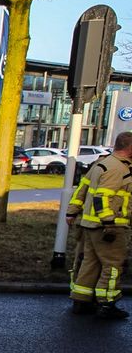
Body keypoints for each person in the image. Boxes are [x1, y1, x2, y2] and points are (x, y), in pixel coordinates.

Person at [67, 131, 132, 319]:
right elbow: (102, 198)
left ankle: (81, 300)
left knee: (90, 263)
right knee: (112, 265)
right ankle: (107, 304)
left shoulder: (101, 164)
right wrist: (109, 223)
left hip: (89, 225)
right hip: (108, 227)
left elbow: (82, 189)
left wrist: (72, 211)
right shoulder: (117, 169)